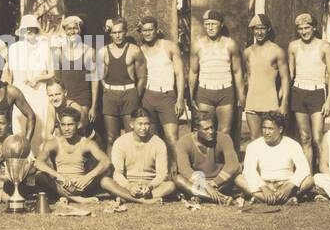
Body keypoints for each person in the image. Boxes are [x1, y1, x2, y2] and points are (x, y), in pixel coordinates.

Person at [34, 106, 129, 203]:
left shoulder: (86, 143)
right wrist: (58, 176)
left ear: (78, 125)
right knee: (39, 176)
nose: (66, 129)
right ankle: (76, 199)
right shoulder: (53, 143)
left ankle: (69, 197)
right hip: (61, 184)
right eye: (63, 125)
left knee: (105, 178)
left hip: (82, 185)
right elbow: (38, 162)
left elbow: (106, 161)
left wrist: (87, 177)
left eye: (70, 125)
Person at [189, 9, 245, 148]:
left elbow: (238, 71)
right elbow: (193, 71)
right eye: (207, 24)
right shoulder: (198, 45)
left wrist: (241, 95)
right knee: (205, 129)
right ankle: (208, 162)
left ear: (221, 25)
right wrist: (190, 95)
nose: (210, 27)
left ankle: (222, 162)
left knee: (225, 131)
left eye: (213, 24)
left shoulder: (230, 44)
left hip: (225, 91)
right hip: (205, 92)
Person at [287, 12, 330, 168]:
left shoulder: (325, 46)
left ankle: (323, 173)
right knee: (304, 136)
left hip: (317, 92)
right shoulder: (293, 46)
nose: (304, 31)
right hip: (299, 91)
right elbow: (290, 74)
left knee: (317, 137)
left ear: (314, 28)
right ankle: (307, 175)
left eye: (307, 27)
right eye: (300, 28)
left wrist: (329, 100)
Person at [236, 110, 313, 205]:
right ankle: (283, 199)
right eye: (264, 128)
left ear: (280, 129)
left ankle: (261, 198)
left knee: (309, 180)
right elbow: (249, 171)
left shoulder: (292, 144)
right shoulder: (253, 146)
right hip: (263, 184)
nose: (266, 132)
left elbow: (304, 169)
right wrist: (263, 187)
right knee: (239, 179)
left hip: (285, 183)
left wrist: (289, 185)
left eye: (270, 129)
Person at [7, 14, 56, 152]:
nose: (29, 32)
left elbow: (51, 73)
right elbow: (9, 75)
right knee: (20, 127)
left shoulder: (44, 48)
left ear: (36, 30)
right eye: (26, 29)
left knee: (40, 128)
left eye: (32, 29)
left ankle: (40, 161)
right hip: (20, 93)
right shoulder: (14, 48)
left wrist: (38, 78)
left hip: (39, 93)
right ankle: (21, 159)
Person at [136, 16, 186, 152]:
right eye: (143, 30)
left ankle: (176, 170)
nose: (147, 33)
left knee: (172, 138)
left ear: (156, 30)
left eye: (150, 30)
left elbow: (180, 74)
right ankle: (155, 169)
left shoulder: (169, 46)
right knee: (150, 138)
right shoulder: (139, 50)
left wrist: (180, 99)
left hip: (167, 96)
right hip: (148, 96)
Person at [99, 16, 147, 149]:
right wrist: (107, 89)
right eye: (114, 33)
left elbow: (142, 76)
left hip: (129, 94)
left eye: (120, 32)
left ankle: (132, 168)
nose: (117, 36)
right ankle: (112, 168)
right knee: (110, 137)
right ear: (110, 34)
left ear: (125, 32)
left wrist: (135, 95)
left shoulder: (135, 50)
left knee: (131, 135)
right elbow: (100, 75)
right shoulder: (103, 51)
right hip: (110, 94)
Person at [109, 109, 175, 203]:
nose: (143, 128)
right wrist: (129, 186)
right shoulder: (120, 142)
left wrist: (150, 186)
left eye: (147, 124)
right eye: (140, 124)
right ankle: (143, 200)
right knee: (105, 181)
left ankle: (127, 198)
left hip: (150, 186)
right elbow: (117, 173)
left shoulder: (158, 143)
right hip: (128, 185)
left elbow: (162, 174)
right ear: (132, 124)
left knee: (170, 186)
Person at [173, 113, 241, 203]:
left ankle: (201, 195)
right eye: (206, 129)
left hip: (220, 182)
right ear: (195, 130)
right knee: (178, 179)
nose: (211, 131)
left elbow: (232, 165)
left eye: (212, 127)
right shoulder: (183, 142)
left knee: (236, 174)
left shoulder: (224, 138)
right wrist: (206, 185)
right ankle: (221, 199)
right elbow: (184, 169)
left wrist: (214, 183)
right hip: (197, 182)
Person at [243, 13, 290, 145]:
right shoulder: (247, 52)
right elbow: (246, 77)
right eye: (256, 29)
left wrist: (283, 103)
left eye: (262, 28)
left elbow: (285, 78)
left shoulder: (277, 51)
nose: (259, 32)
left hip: (270, 102)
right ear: (252, 30)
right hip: (252, 101)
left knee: (272, 140)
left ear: (268, 29)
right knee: (254, 139)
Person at [52, 14, 99, 133]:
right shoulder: (58, 52)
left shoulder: (89, 51)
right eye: (69, 29)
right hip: (65, 99)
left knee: (81, 130)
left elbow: (94, 80)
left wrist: (93, 106)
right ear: (65, 31)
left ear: (79, 30)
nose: (72, 32)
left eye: (75, 28)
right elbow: (57, 80)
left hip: (83, 99)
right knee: (65, 133)